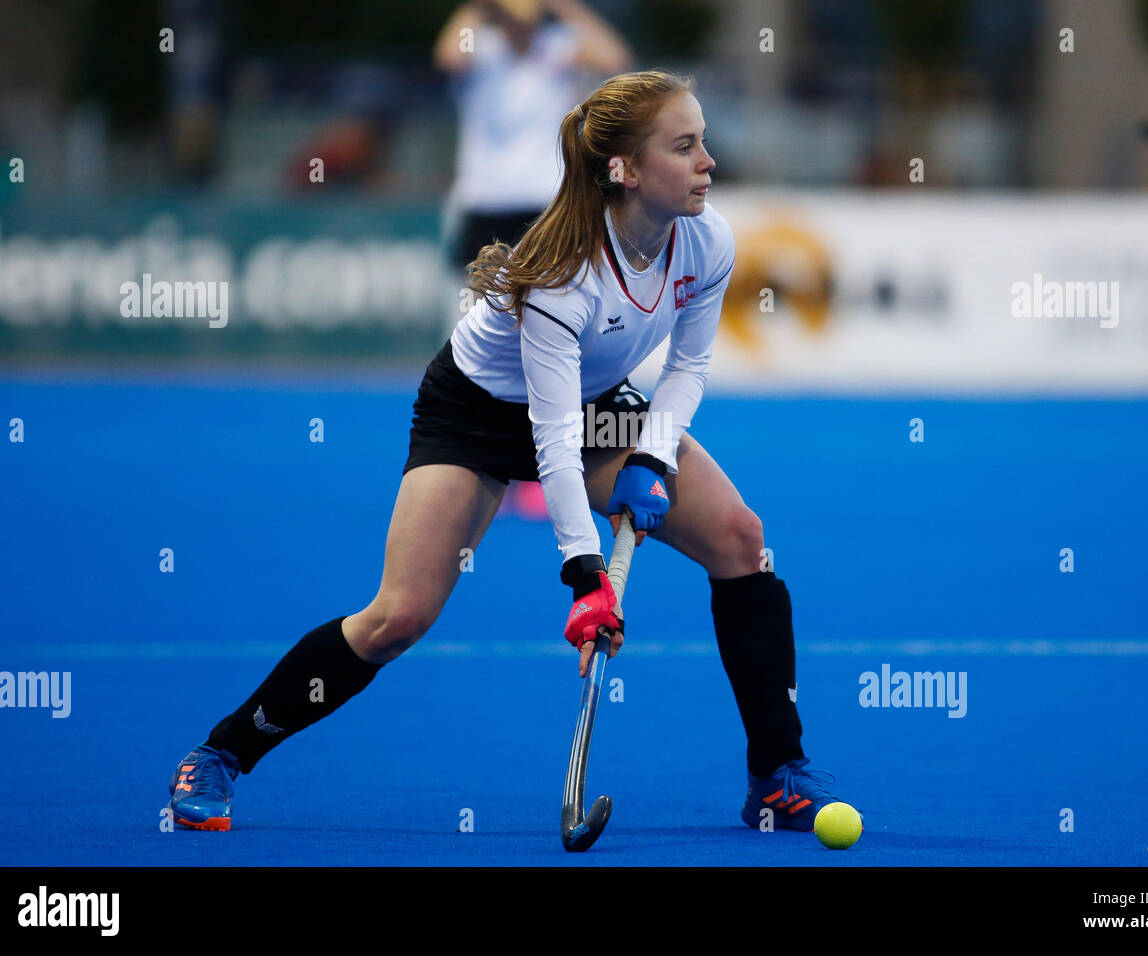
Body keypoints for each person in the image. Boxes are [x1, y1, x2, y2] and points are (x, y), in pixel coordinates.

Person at [167, 70, 856, 836]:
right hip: (477, 416)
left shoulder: (706, 238)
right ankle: (221, 753)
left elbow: (687, 368)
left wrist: (652, 459)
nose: (708, 162)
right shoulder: (564, 276)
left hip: (596, 408)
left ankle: (776, 776)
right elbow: (550, 440)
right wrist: (585, 573)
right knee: (398, 617)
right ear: (624, 169)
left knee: (740, 538)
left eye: (704, 143)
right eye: (685, 146)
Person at [433, 0, 632, 267]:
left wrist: (566, 7)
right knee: (479, 302)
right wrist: (479, 6)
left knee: (549, 301)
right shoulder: (481, 47)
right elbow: (448, 57)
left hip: (547, 201)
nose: (521, 23)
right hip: (486, 200)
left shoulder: (557, 45)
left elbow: (615, 58)